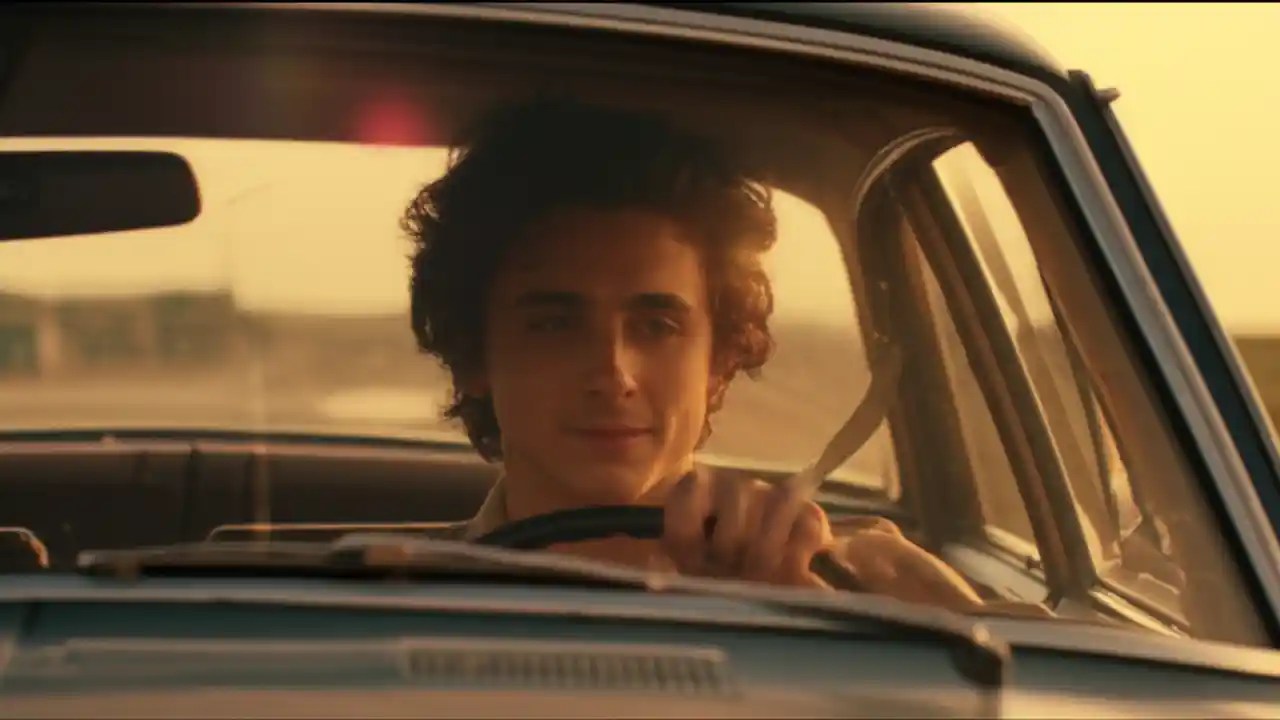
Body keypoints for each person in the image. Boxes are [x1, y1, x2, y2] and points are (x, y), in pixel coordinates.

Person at [401, 96, 990, 613]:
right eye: (555, 324)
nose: (613, 374)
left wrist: (822, 626)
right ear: (475, 355)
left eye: (656, 326)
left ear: (719, 364)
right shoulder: (386, 601)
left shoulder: (870, 578)